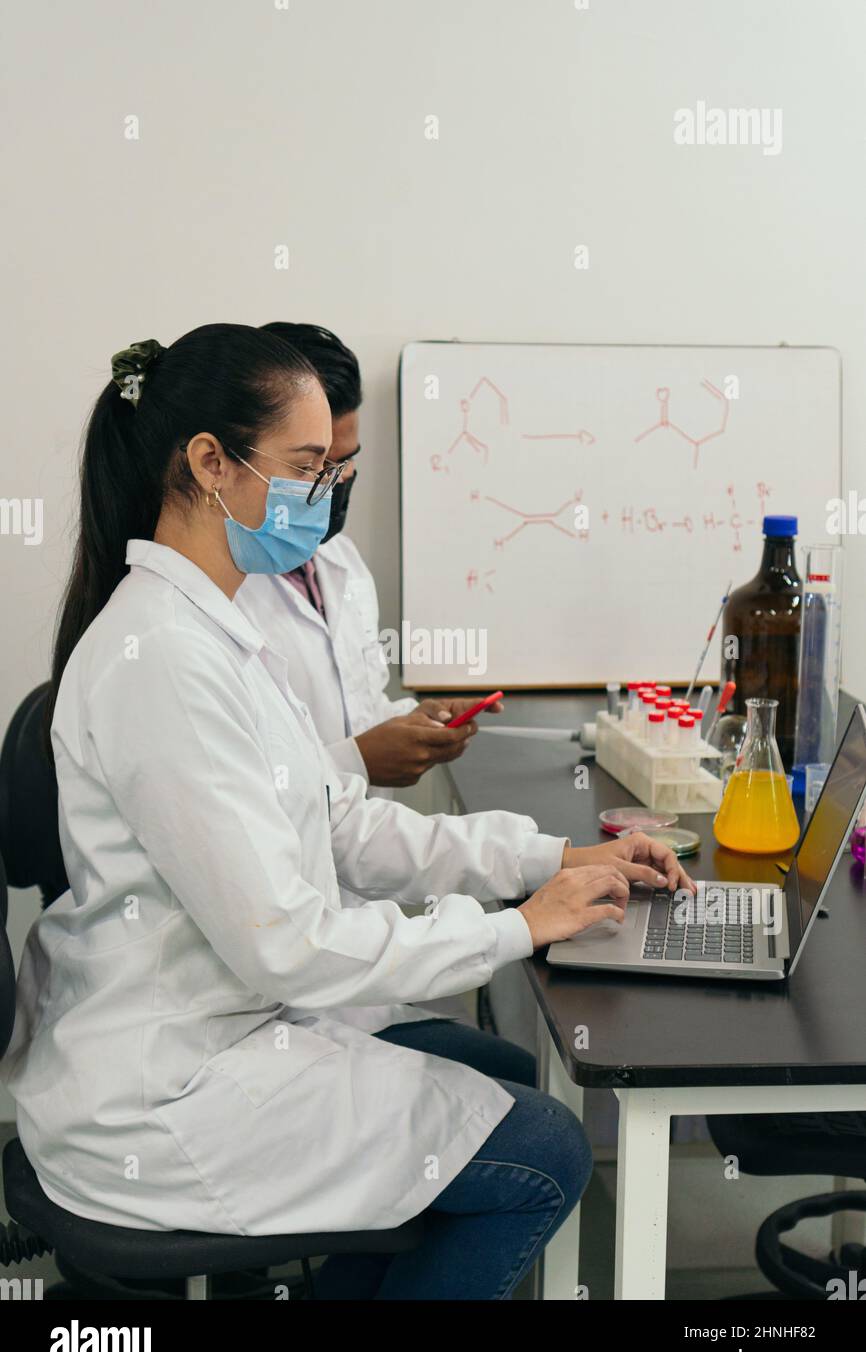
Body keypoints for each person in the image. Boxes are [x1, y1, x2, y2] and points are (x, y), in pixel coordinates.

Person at [1, 326, 694, 1299]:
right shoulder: (161, 660)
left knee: (495, 1083)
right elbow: (286, 945)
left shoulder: (218, 629)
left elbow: (343, 827)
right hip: (165, 1091)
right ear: (209, 463)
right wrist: (510, 927)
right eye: (304, 468)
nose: (324, 497)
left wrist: (552, 857)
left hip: (232, 1026)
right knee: (541, 1155)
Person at [234, 322, 498, 797]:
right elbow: (237, 792)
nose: (332, 483)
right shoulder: (219, 589)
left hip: (356, 855)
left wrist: (415, 722)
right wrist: (356, 762)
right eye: (309, 466)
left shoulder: (341, 561)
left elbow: (357, 708)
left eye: (344, 461)